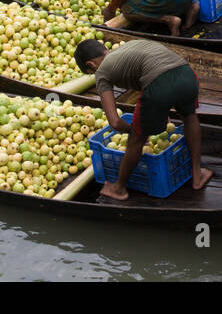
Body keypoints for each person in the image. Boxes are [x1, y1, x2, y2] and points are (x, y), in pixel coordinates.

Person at [74, 39, 213, 197]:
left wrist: (137, 132)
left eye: (91, 72)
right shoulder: (129, 46)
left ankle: (118, 188)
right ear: (104, 48)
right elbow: (152, 75)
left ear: (91, 65)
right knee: (190, 117)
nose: (94, 74)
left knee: (136, 137)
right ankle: (198, 175)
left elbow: (115, 122)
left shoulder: (101, 72)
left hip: (159, 83)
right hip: (187, 74)